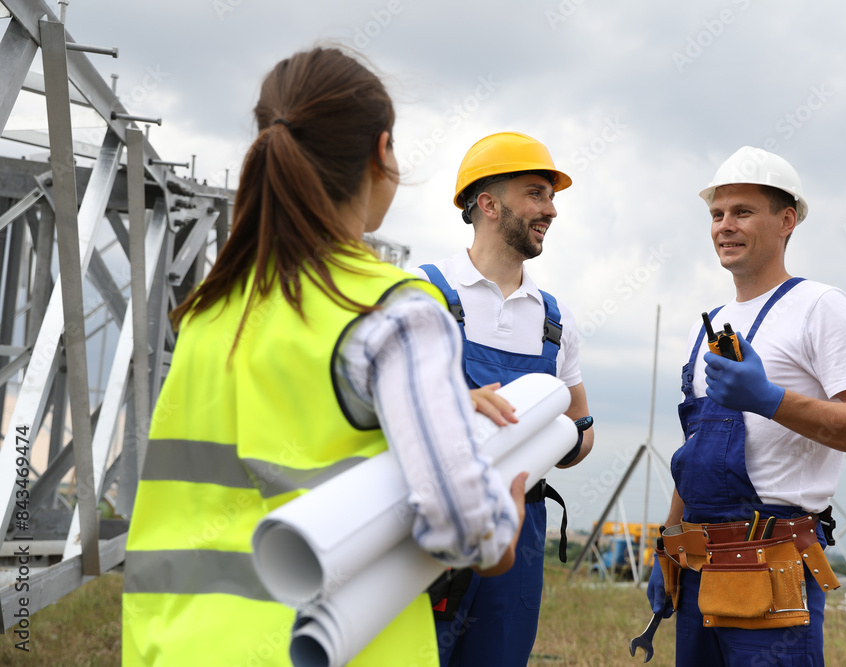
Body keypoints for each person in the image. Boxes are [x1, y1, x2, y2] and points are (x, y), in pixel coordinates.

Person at [121, 47, 529, 666]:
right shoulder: (393, 309)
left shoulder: (211, 310)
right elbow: (462, 524)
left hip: (176, 647)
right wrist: (505, 529)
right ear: (382, 152)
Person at [646, 146, 846, 666]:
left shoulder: (819, 306)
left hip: (773, 569)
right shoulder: (712, 325)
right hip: (698, 567)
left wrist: (770, 400)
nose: (725, 225)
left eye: (742, 212)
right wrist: (667, 544)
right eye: (716, 214)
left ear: (787, 220)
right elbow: (696, 451)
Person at [413, 132, 595, 667]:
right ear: (488, 205)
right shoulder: (423, 292)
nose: (551, 210)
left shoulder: (553, 319)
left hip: (522, 532)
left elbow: (581, 429)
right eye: (536, 194)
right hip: (434, 524)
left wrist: (561, 439)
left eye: (552, 196)